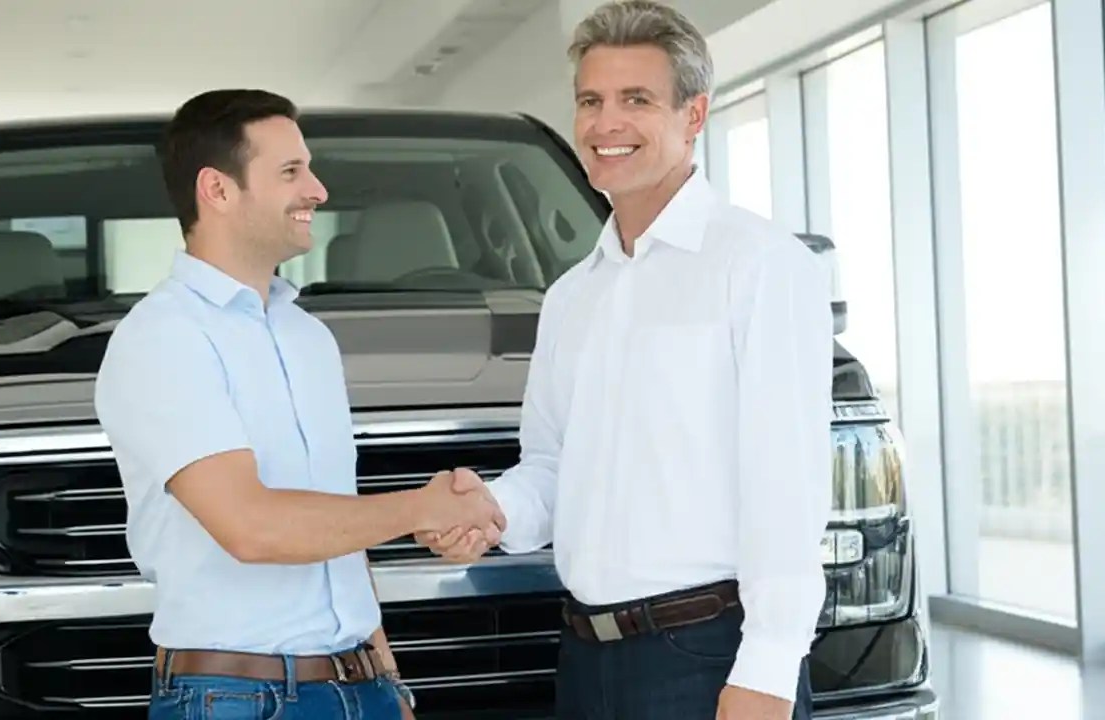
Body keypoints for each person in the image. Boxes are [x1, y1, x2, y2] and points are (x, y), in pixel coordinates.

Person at [417, 2, 833, 719]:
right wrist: (490, 511)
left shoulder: (760, 265)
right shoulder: (571, 296)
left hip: (708, 655)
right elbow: (552, 467)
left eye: (635, 100)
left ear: (693, 114)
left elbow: (787, 483)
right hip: (586, 660)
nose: (606, 123)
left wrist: (767, 668)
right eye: (591, 101)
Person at [94, 89, 506, 720]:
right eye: (291, 171)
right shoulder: (163, 337)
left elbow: (337, 526)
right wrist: (422, 507)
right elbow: (251, 527)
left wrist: (389, 679)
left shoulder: (307, 337)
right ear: (217, 189)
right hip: (237, 700)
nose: (317, 190)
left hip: (361, 687)